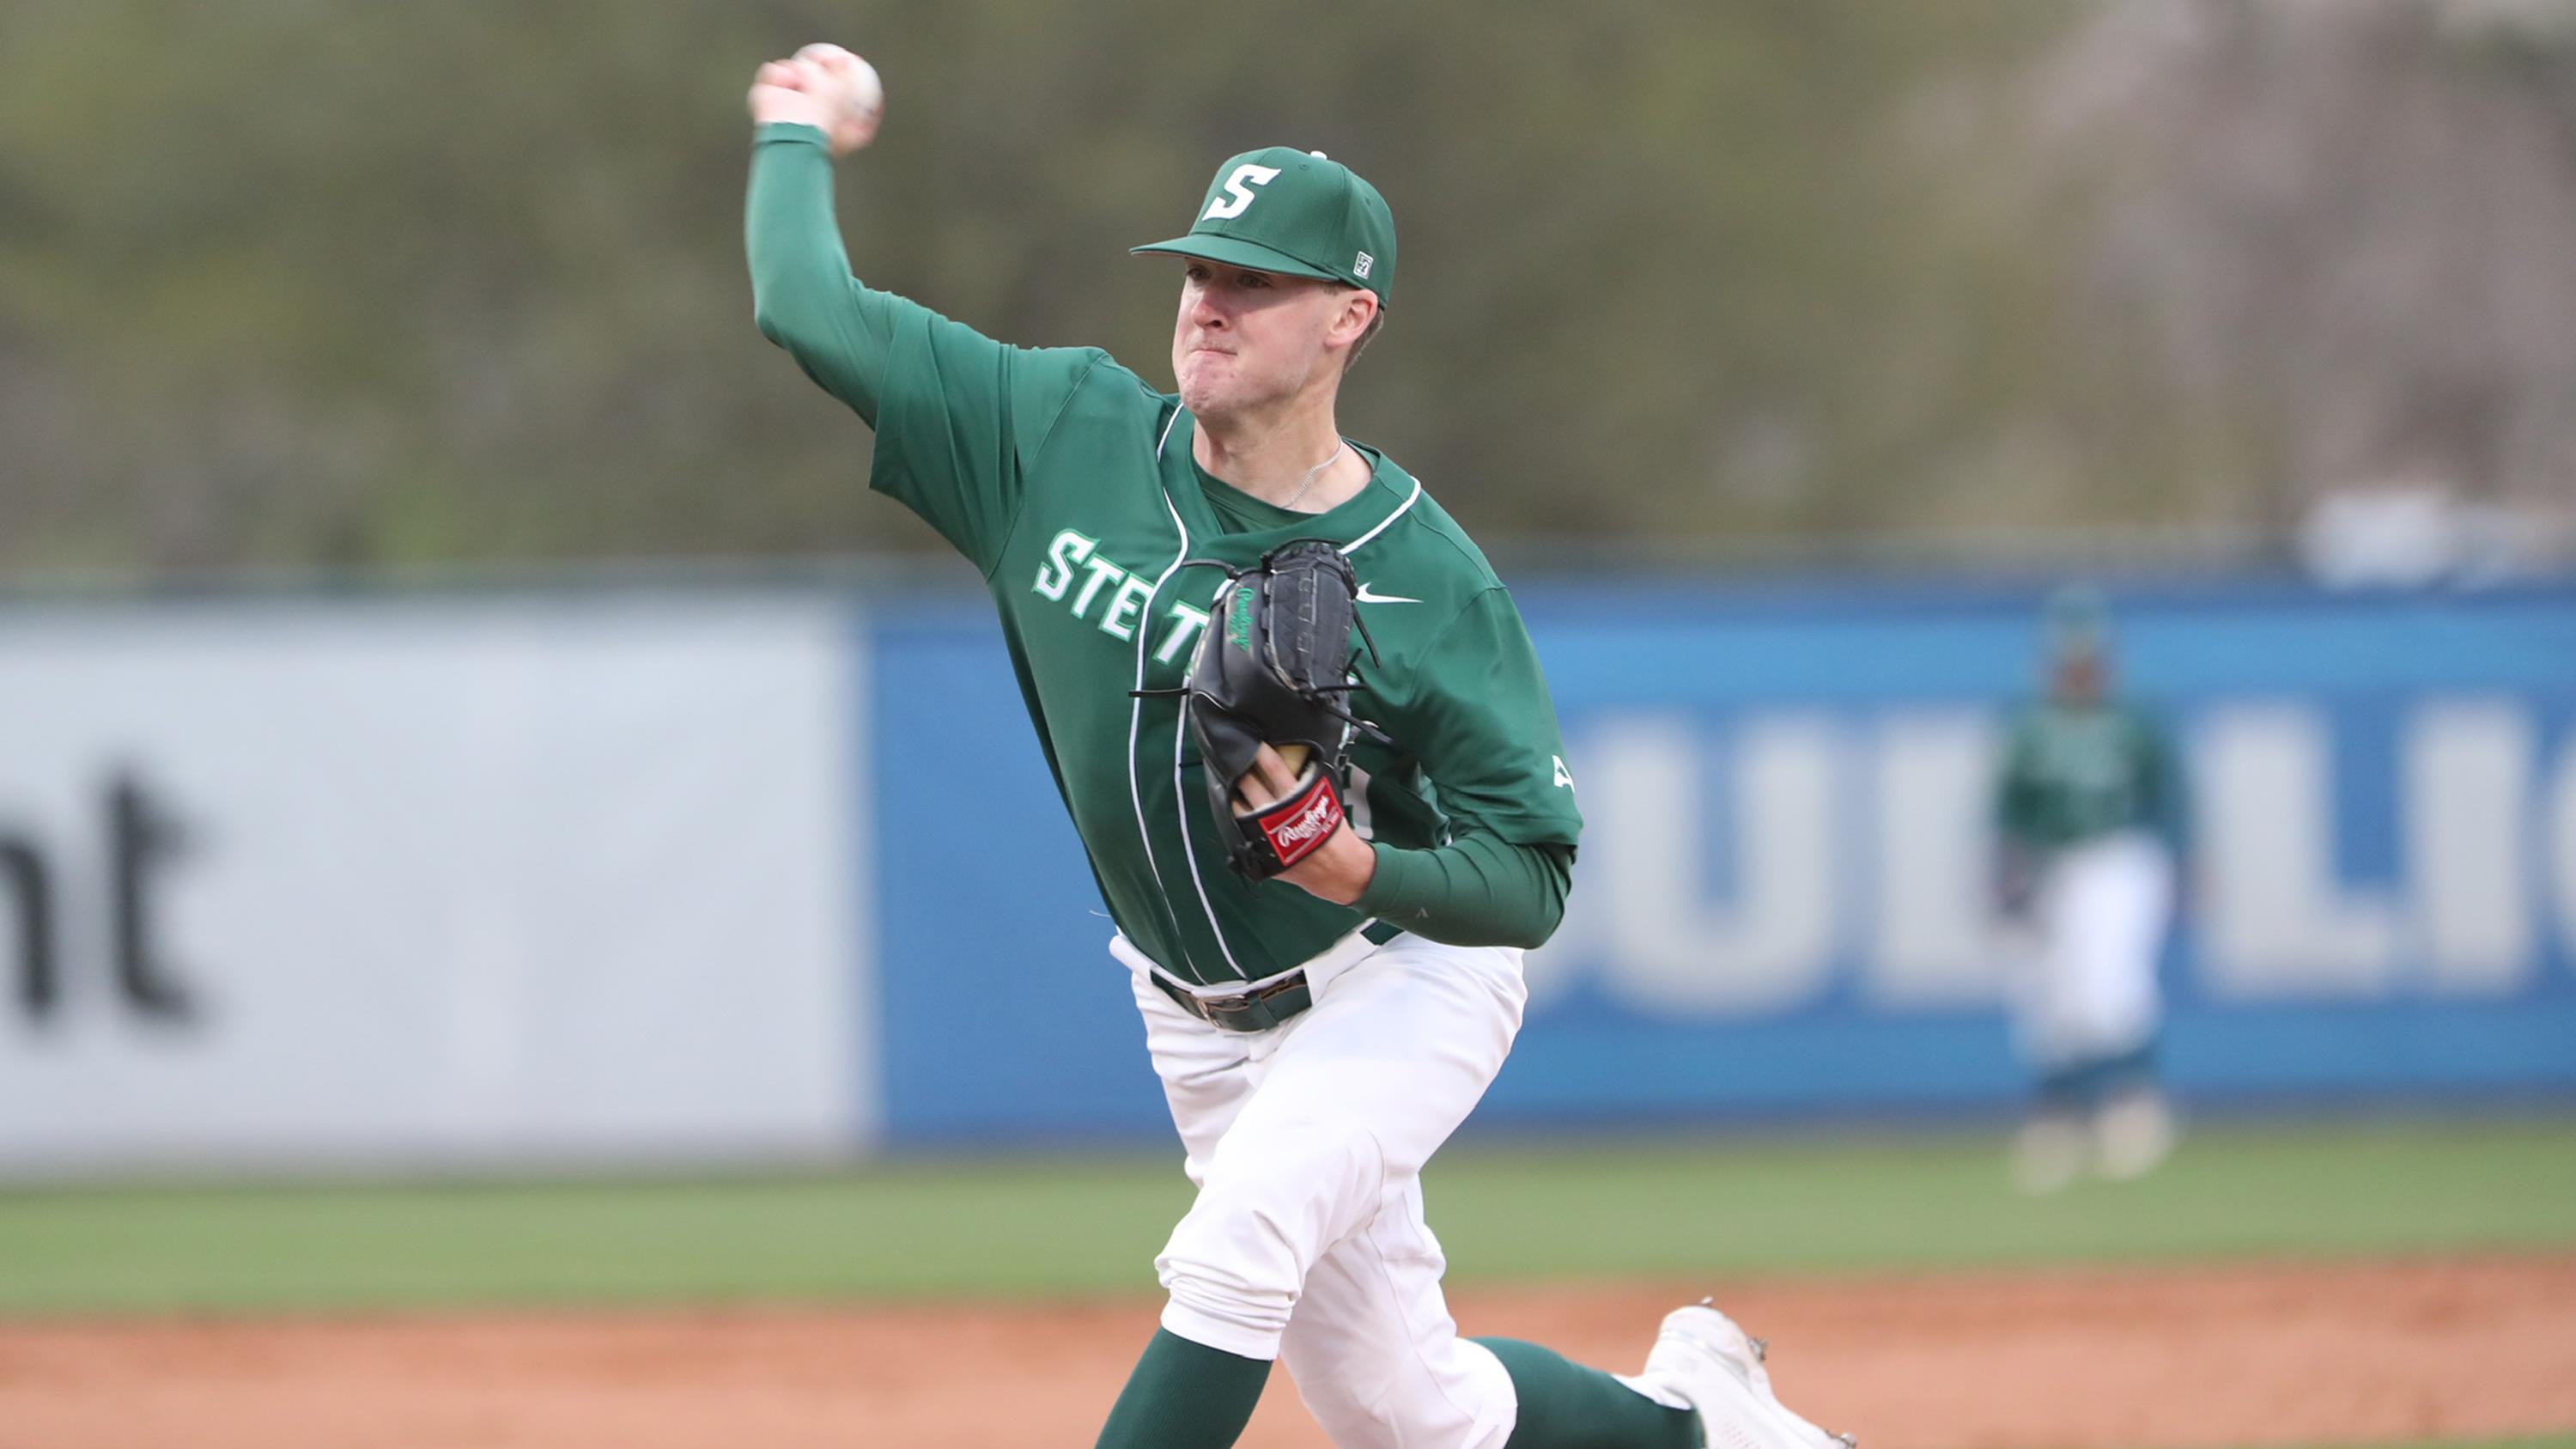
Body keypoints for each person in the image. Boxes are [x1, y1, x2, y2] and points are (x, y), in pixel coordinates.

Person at [744, 43, 1854, 1449]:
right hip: (1195, 1010)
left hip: (1394, 974)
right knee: (1414, 1415)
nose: (1209, 301)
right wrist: (792, 131)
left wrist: (1357, 866)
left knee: (1236, 1248)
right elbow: (805, 307)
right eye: (1200, 271)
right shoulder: (1054, 436)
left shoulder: (1424, 577)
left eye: (1256, 281)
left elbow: (1533, 874)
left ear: (1350, 316)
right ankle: (1705, 1420)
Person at [1993, 588, 2185, 1193]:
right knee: (2054, 999)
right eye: (2069, 661)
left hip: (2119, 860)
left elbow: (2170, 799)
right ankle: (2059, 1116)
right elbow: (2010, 811)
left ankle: (2133, 1106)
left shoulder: (2131, 721)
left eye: (2087, 660)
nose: (2078, 671)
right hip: (2055, 866)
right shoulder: (2031, 727)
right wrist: (2007, 871)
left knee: (2111, 987)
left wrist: (2183, 863)